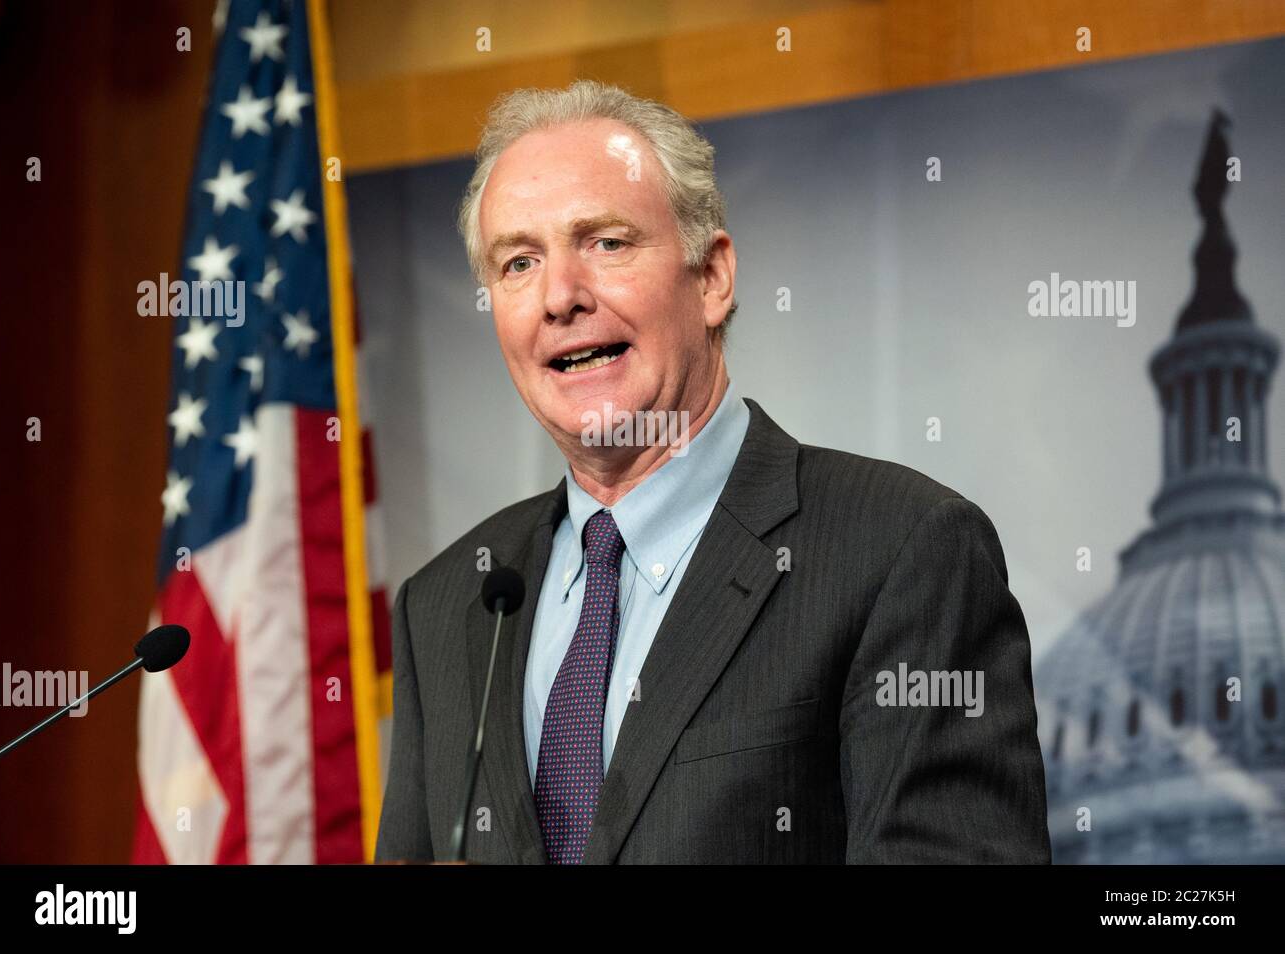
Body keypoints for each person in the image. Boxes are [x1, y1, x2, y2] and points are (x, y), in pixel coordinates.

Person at [376, 79, 1051, 864]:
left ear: (712, 277)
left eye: (606, 242)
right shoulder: (450, 603)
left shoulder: (901, 550)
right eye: (518, 262)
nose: (560, 296)